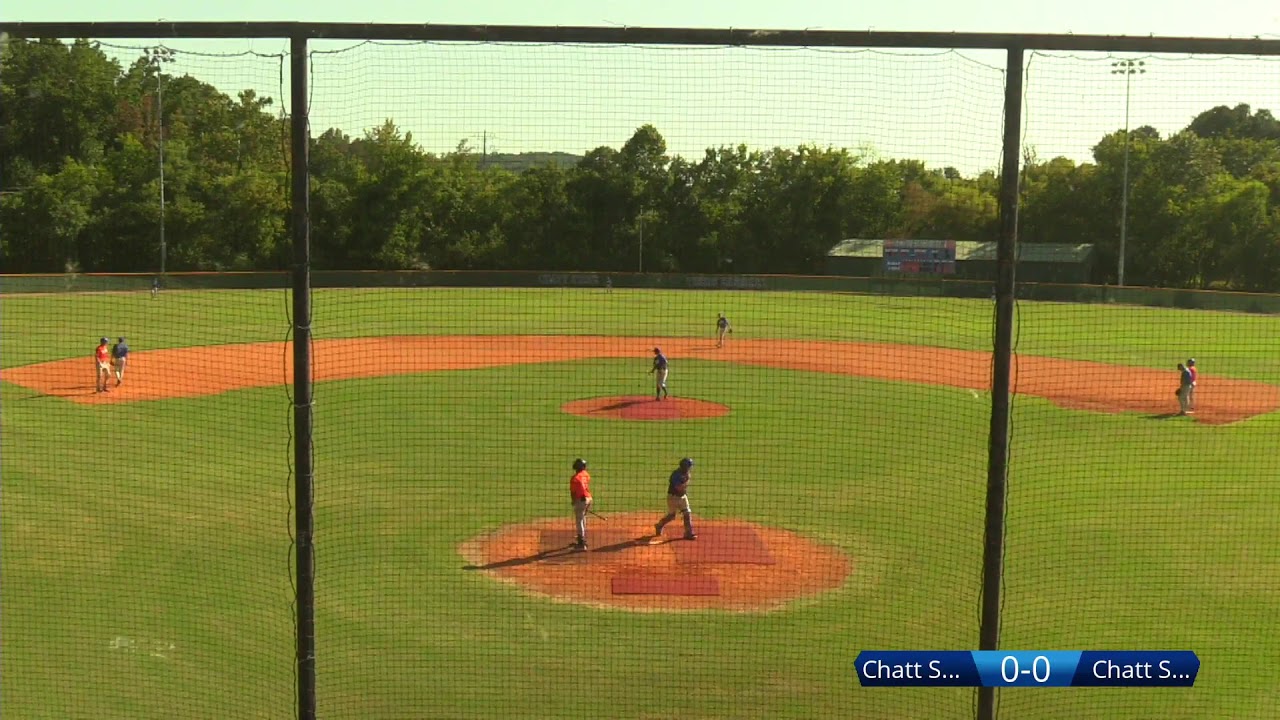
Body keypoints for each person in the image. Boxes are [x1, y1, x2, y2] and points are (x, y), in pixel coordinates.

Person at [654, 457, 697, 540]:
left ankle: (688, 533)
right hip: (673, 498)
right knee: (671, 516)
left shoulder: (686, 473)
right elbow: (678, 488)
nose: (690, 468)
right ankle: (659, 525)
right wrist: (687, 481)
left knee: (687, 513)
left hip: (683, 497)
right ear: (684, 466)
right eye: (689, 466)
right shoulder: (675, 475)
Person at [570, 458, 592, 550]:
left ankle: (581, 543)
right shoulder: (586, 474)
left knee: (579, 520)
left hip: (581, 500)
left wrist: (574, 501)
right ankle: (581, 536)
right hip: (589, 499)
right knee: (583, 517)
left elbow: (573, 492)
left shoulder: (574, 478)